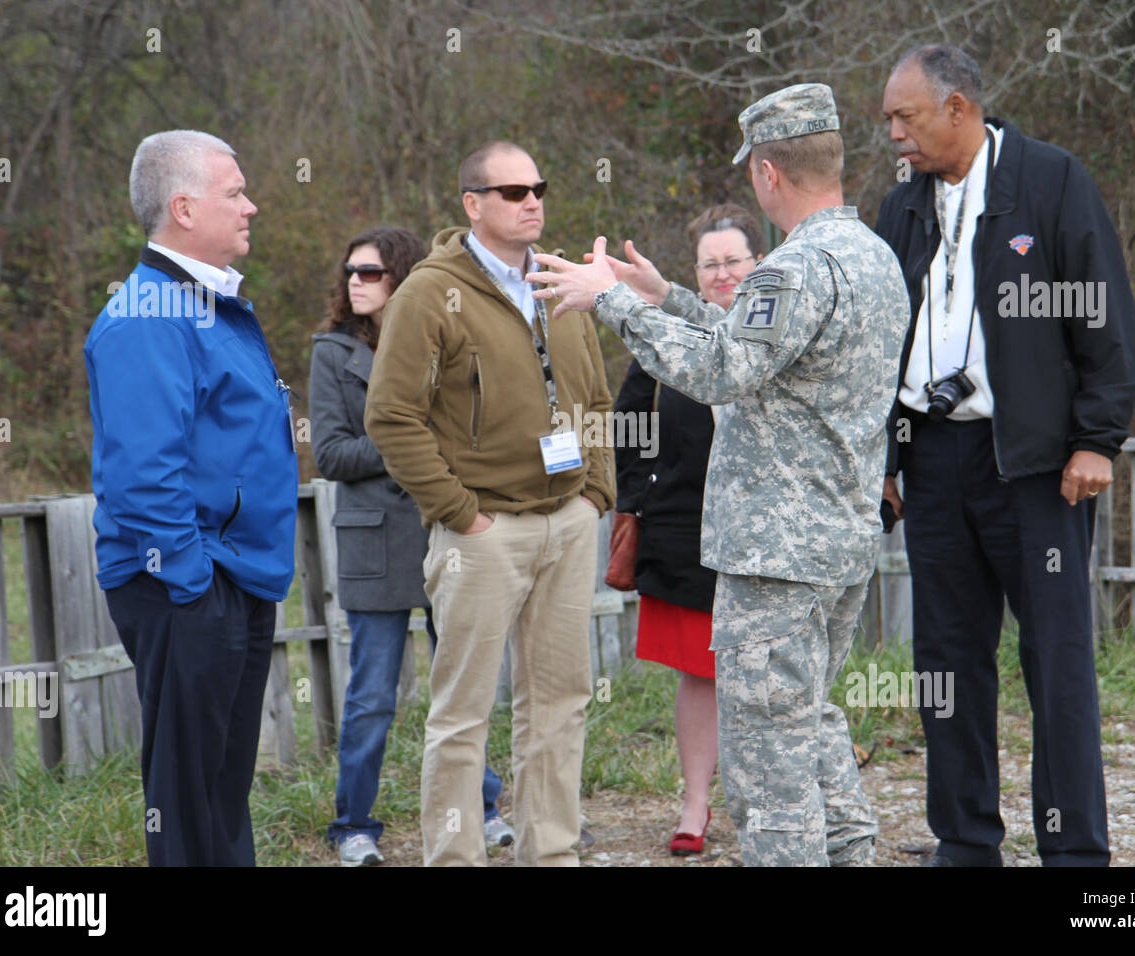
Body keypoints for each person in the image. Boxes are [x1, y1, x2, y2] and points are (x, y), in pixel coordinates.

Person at [528, 84, 909, 867]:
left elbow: (723, 369)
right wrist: (662, 295)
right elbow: (762, 348)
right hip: (837, 542)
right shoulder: (872, 256)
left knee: (769, 771)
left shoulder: (794, 267)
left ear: (768, 174)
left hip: (776, 555)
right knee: (809, 720)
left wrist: (612, 305)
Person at [875, 45, 1135, 866]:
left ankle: (1074, 855)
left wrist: (1098, 437)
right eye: (888, 121)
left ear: (959, 109)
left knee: (1055, 661)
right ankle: (964, 841)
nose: (894, 136)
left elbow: (1103, 313)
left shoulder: (1051, 182)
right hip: (932, 464)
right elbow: (885, 341)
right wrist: (886, 452)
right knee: (946, 664)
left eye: (905, 118)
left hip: (1033, 469)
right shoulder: (901, 207)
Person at [363, 141, 615, 866]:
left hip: (567, 522)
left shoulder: (560, 280)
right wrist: (457, 510)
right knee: (462, 718)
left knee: (561, 705)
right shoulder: (426, 293)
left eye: (538, 186)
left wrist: (595, 493)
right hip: (484, 532)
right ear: (473, 205)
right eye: (511, 192)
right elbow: (391, 415)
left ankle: (552, 853)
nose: (532, 200)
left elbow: (596, 396)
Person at [85, 130, 296, 866]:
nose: (252, 206)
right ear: (183, 207)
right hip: (187, 583)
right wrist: (193, 584)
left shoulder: (209, 302)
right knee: (186, 800)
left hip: (234, 576)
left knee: (220, 790)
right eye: (234, 193)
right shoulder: (147, 317)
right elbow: (145, 475)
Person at [309, 226, 513, 866]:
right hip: (374, 545)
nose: (356, 282)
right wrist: (407, 444)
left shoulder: (434, 335)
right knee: (371, 696)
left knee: (461, 686)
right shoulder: (330, 351)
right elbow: (332, 453)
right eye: (350, 271)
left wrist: (421, 445)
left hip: (442, 530)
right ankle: (354, 826)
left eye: (370, 272)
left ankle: (482, 810)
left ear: (400, 278)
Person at [613, 203, 763, 854]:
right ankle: (695, 806)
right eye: (711, 263)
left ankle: (767, 804)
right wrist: (641, 491)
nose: (723, 273)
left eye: (733, 260)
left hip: (767, 530)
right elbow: (630, 416)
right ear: (694, 274)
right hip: (685, 527)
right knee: (699, 672)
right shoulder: (670, 328)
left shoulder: (779, 327)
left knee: (765, 672)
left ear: (757, 263)